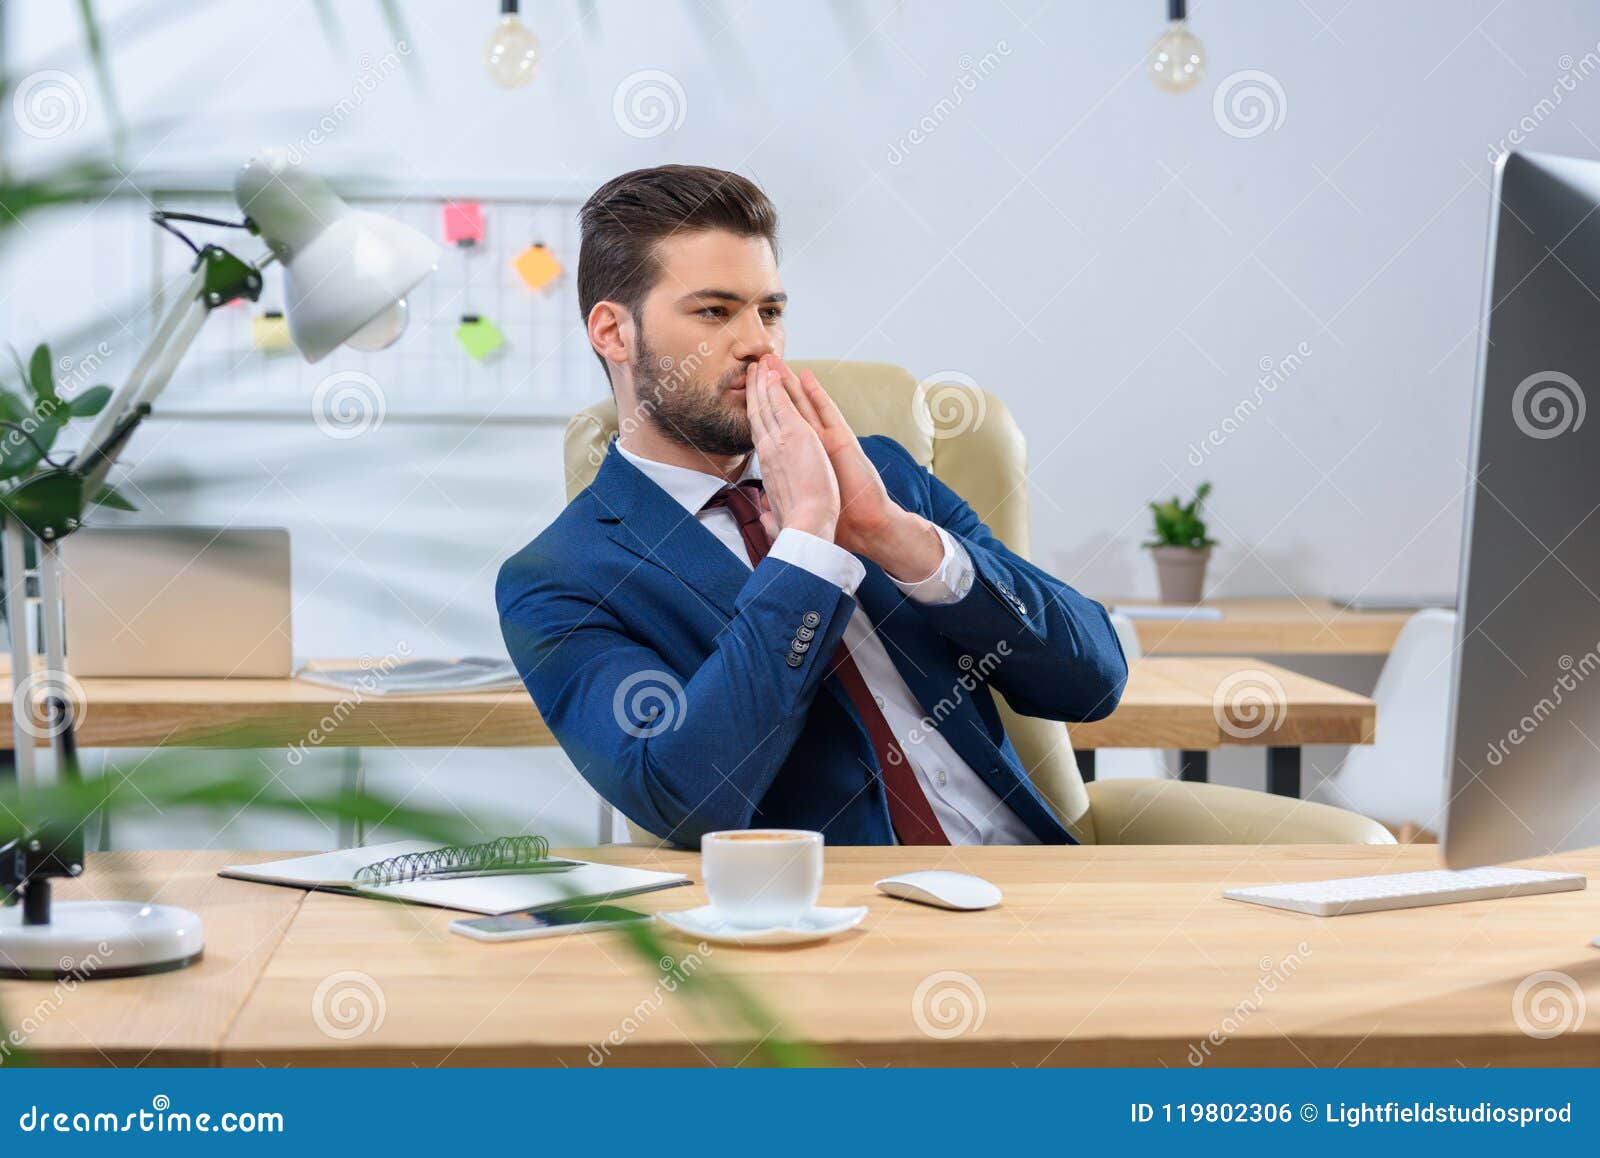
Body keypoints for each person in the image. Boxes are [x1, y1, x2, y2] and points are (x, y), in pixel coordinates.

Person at [496, 164, 1126, 846]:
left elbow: (1093, 682)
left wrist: (892, 535)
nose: (759, 343)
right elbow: (685, 799)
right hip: (839, 925)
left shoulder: (884, 475)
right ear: (613, 334)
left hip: (1035, 889)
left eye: (770, 310)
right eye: (714, 311)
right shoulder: (560, 578)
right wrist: (806, 551)